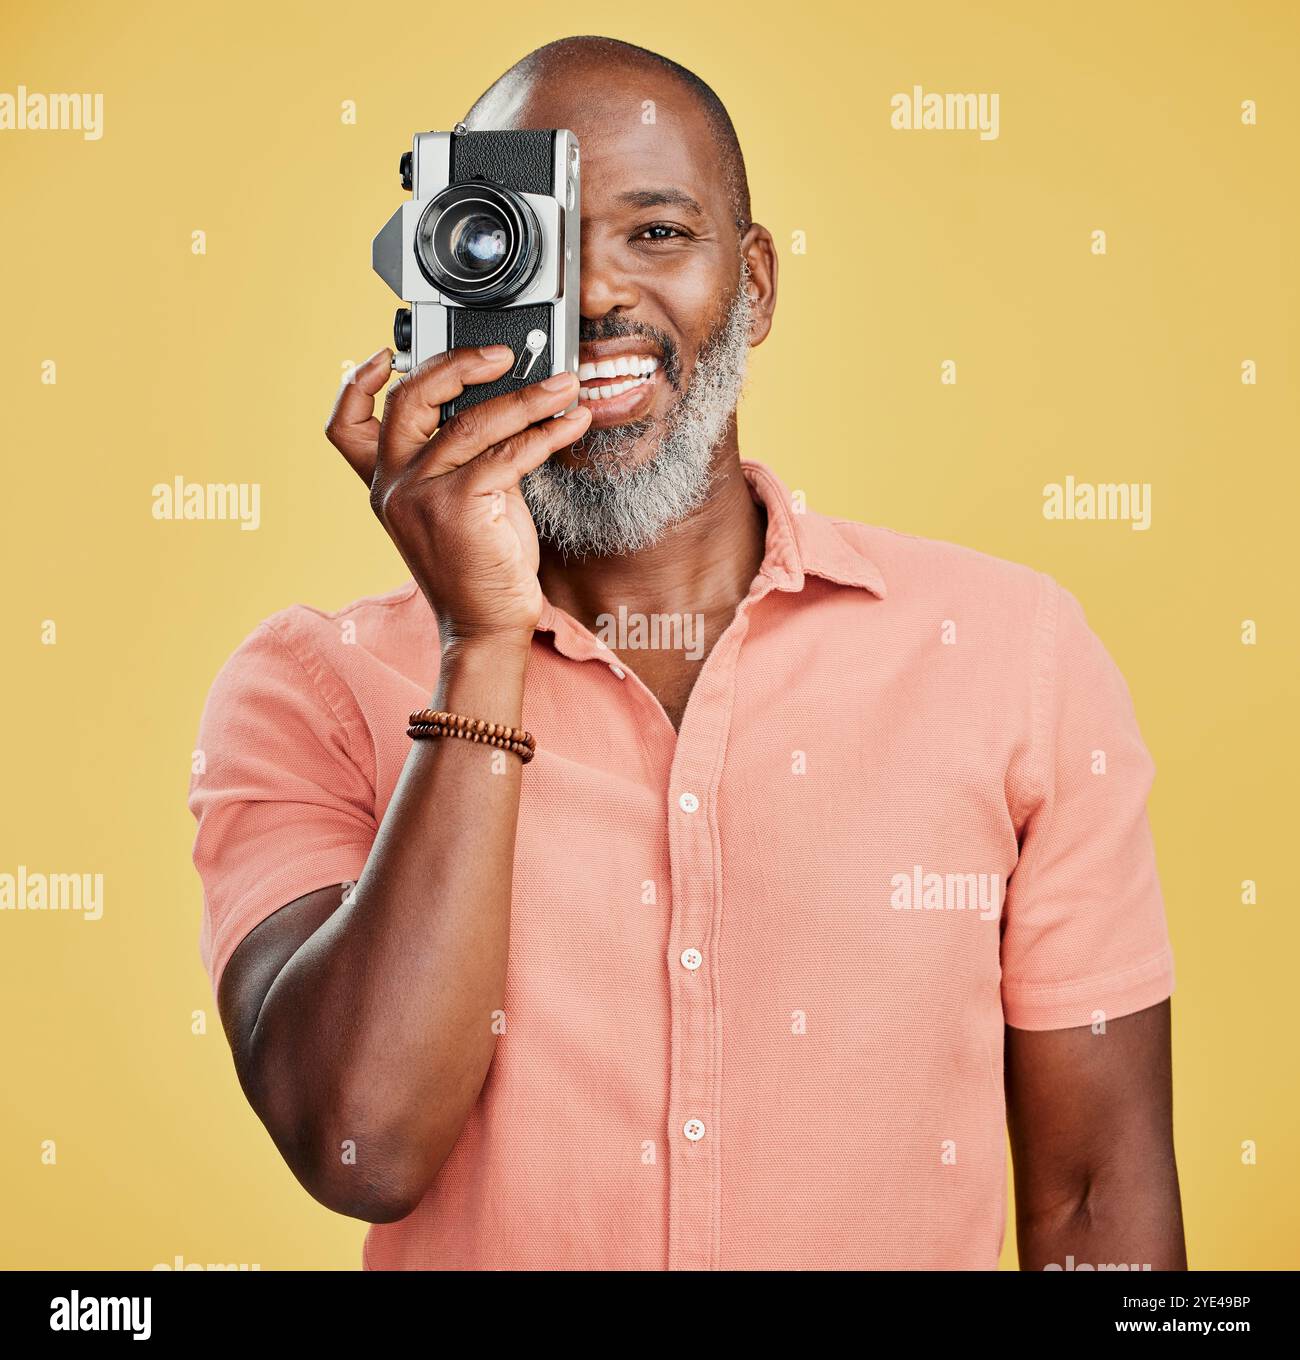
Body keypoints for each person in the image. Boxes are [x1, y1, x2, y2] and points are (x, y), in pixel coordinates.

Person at [189, 35, 1184, 1270]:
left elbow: (1097, 1194)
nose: (598, 297)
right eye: (531, 245)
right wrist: (481, 642)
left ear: (754, 285)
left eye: (656, 233)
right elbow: (363, 1148)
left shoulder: (1010, 653)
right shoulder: (311, 688)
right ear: (444, 282)